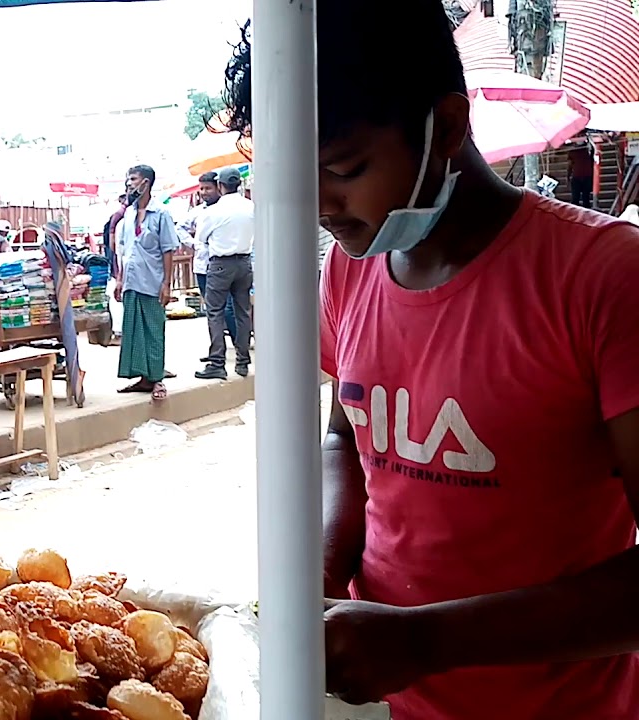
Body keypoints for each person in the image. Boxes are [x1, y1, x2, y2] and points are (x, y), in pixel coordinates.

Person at [224, 3, 639, 718]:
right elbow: (346, 440)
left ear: (446, 126)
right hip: (394, 705)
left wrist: (428, 640)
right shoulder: (352, 271)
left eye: (343, 169)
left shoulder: (604, 280)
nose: (319, 205)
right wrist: (319, 567)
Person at [114, 164, 179, 401]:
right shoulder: (128, 214)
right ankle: (143, 378)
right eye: (128, 179)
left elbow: (168, 250)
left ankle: (156, 378)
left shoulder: (161, 214)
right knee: (133, 332)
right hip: (131, 280)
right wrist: (120, 279)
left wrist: (167, 284)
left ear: (146, 183)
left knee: (153, 331)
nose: (129, 183)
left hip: (152, 282)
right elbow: (124, 251)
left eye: (133, 179)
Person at [194, 167, 254, 380]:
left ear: (220, 186)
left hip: (221, 263)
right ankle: (243, 360)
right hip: (245, 262)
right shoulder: (251, 206)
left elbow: (201, 237)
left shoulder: (212, 211)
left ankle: (217, 362)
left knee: (215, 312)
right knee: (243, 311)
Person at [567, 143, 594, 208]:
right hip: (577, 177)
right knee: (576, 199)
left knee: (585, 199)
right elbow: (570, 165)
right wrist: (568, 176)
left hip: (586, 176)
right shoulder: (573, 152)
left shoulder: (589, 150)